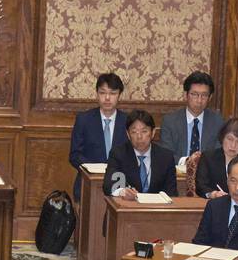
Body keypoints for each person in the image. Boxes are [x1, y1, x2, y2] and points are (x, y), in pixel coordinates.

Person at [68, 72, 127, 200]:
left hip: (120, 183)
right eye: (102, 93)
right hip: (88, 182)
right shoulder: (84, 120)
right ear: (96, 94)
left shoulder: (128, 122)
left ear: (119, 96)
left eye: (112, 93)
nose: (107, 98)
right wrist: (94, 169)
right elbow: (74, 155)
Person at [105, 109, 178, 199]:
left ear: (153, 133)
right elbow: (110, 185)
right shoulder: (118, 154)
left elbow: (172, 193)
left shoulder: (165, 157)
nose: (139, 137)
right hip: (127, 209)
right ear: (128, 134)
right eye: (134, 132)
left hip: (156, 210)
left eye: (144, 131)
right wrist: (122, 192)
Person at [159, 71, 224, 159]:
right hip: (177, 170)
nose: (199, 100)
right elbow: (166, 154)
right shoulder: (170, 121)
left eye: (204, 95)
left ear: (210, 98)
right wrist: (188, 164)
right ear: (186, 95)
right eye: (194, 94)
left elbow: (218, 155)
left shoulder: (218, 122)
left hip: (206, 171)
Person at [194, 118, 238, 200]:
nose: (233, 145)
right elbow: (200, 186)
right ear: (222, 138)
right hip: (214, 204)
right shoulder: (208, 157)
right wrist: (213, 194)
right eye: (230, 139)